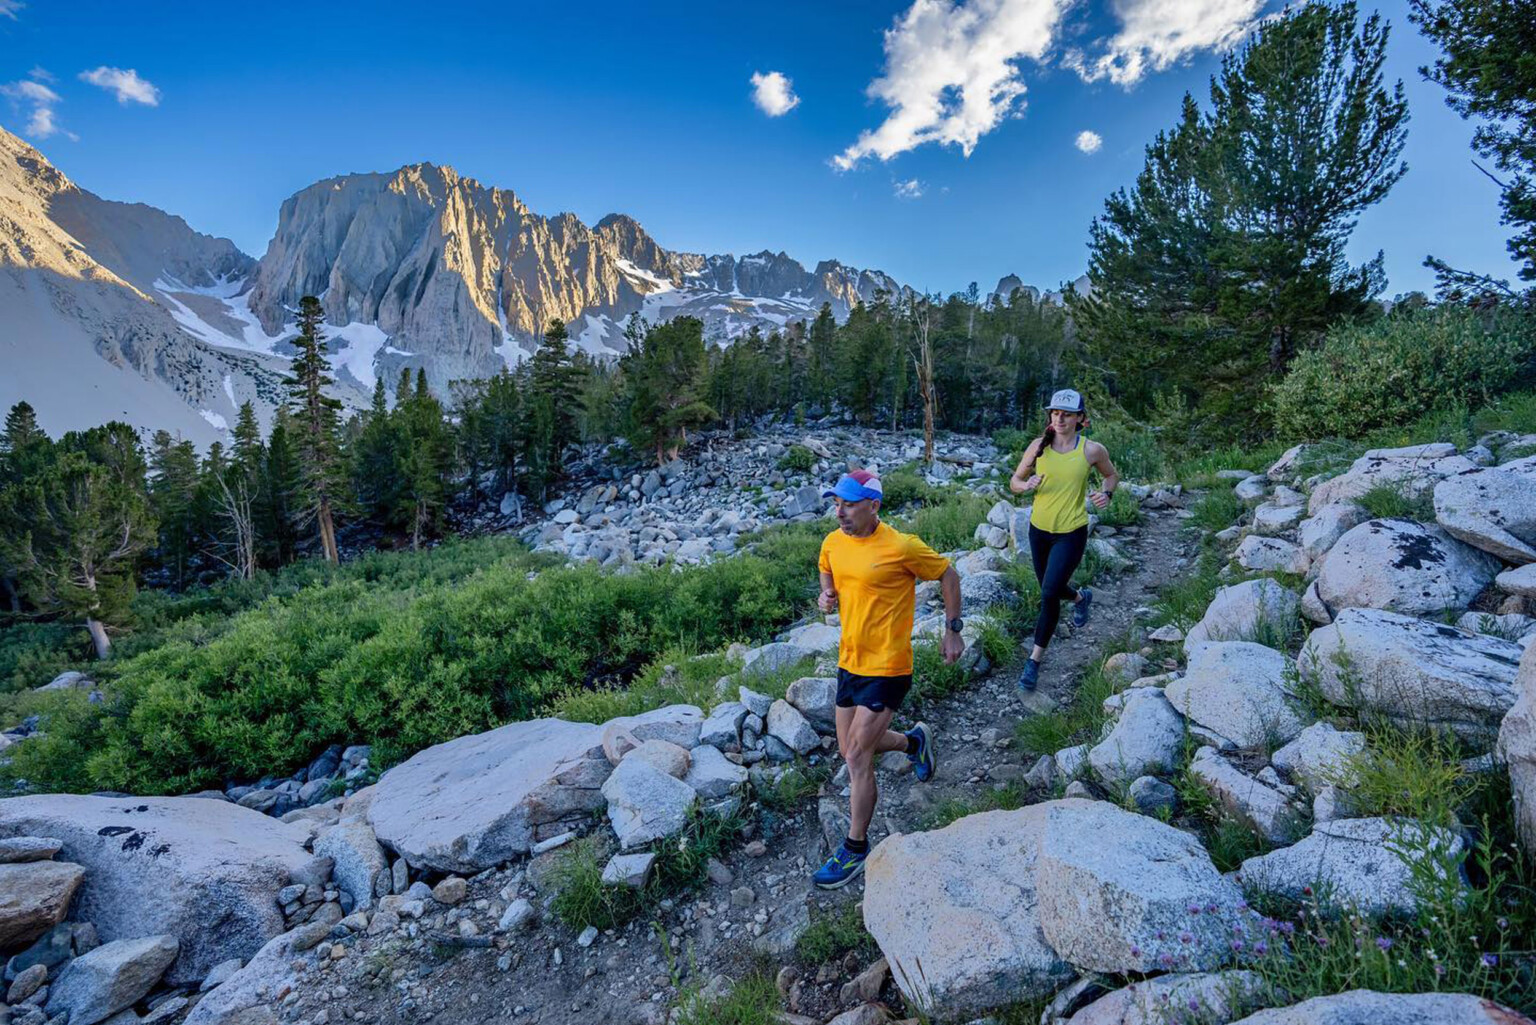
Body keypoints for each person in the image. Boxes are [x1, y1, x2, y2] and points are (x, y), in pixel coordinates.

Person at [811, 469, 963, 889]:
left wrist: (953, 630)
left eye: (849, 504)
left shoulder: (901, 547)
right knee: (849, 748)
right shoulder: (834, 541)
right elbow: (826, 567)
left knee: (857, 757)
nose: (840, 512)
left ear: (873, 505)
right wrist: (827, 594)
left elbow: (948, 574)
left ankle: (855, 848)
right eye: (836, 504)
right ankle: (914, 742)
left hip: (888, 665)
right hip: (850, 662)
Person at [1010, 389, 1120, 692]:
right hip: (1038, 531)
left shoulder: (1092, 450)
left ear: (1080, 418)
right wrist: (1026, 485)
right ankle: (1081, 598)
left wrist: (1106, 494)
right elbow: (1015, 481)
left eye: (1067, 414)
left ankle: (1033, 661)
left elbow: (1111, 476)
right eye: (1055, 413)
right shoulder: (1038, 447)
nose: (1059, 419)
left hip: (1071, 532)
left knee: (1048, 593)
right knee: (1052, 588)